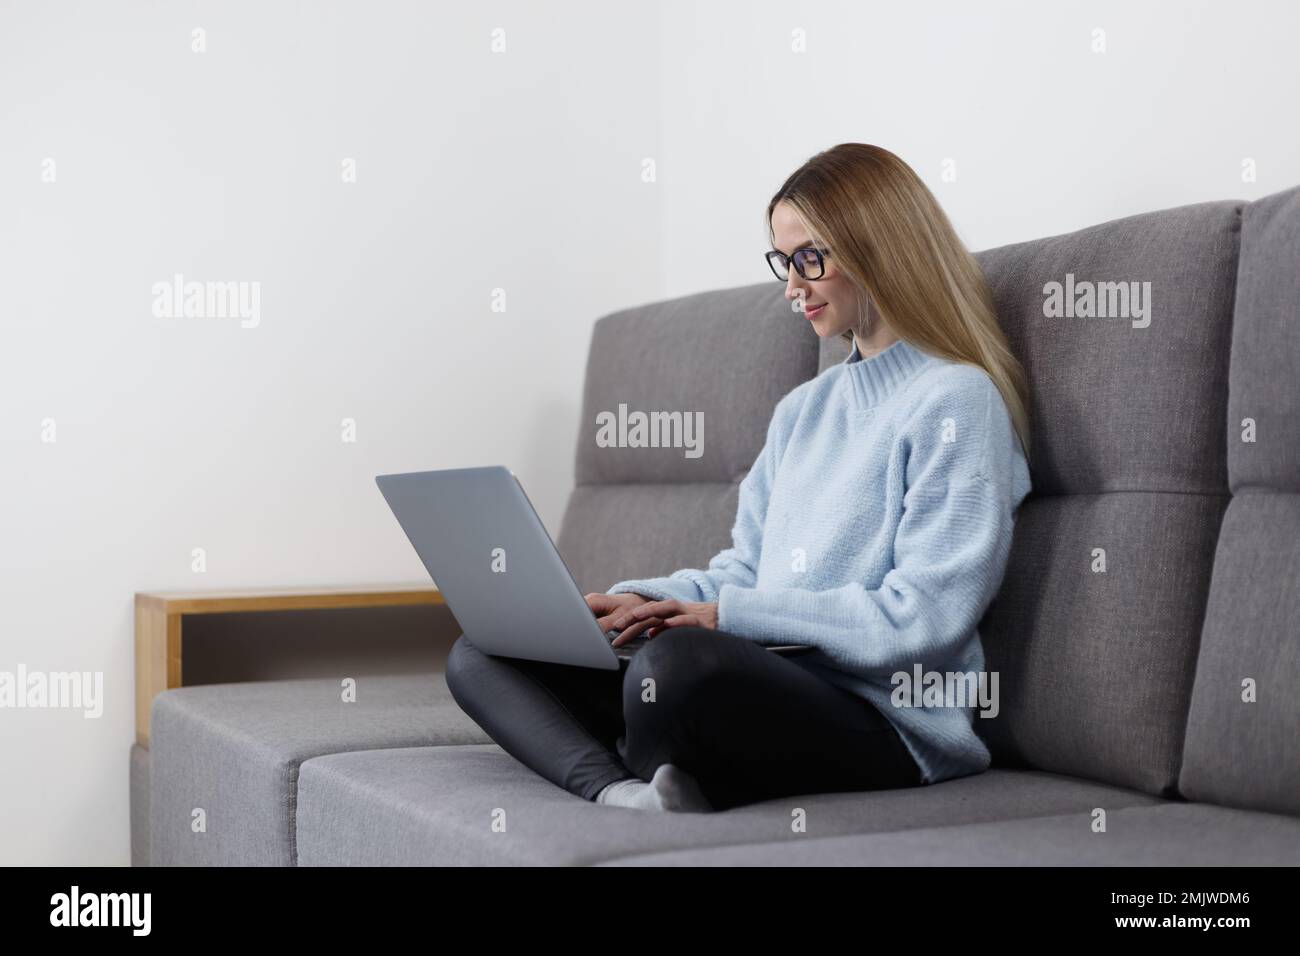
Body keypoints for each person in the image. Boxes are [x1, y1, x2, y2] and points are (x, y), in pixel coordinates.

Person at [446, 143, 1033, 813]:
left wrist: (724, 618)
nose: (793, 287)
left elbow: (922, 619)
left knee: (680, 669)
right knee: (488, 651)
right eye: (786, 263)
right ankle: (625, 792)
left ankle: (653, 750)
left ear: (882, 249)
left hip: (886, 719)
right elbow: (743, 569)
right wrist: (632, 603)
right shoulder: (802, 412)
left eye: (811, 259)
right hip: (768, 683)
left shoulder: (957, 401)